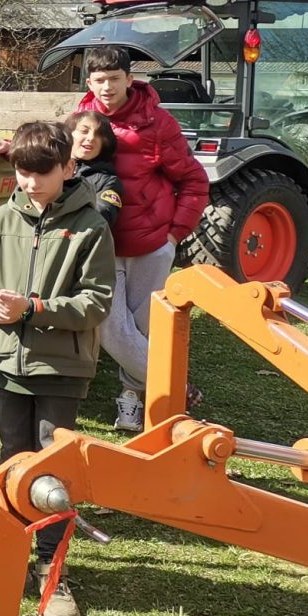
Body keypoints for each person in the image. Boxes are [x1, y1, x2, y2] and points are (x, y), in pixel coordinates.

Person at [0, 121, 115, 616]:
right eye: (22, 174)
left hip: (62, 369)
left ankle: (52, 566)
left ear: (69, 169)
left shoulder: (91, 227)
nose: (29, 184)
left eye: (41, 174)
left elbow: (96, 303)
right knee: (13, 459)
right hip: (6, 363)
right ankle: (11, 550)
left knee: (52, 469)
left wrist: (34, 307)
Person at [76, 47, 209, 433]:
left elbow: (194, 180)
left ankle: (131, 400)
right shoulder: (80, 122)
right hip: (102, 245)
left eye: (114, 79)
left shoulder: (158, 124)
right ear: (89, 83)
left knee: (143, 327)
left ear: (129, 79)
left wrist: (173, 234)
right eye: (99, 80)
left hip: (151, 244)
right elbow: (53, 159)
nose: (107, 87)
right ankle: (175, 389)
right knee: (109, 326)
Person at [64, 110, 124, 231]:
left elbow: (102, 215)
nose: (91, 138)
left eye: (99, 134)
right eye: (84, 131)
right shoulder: (51, 168)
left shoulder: (108, 181)